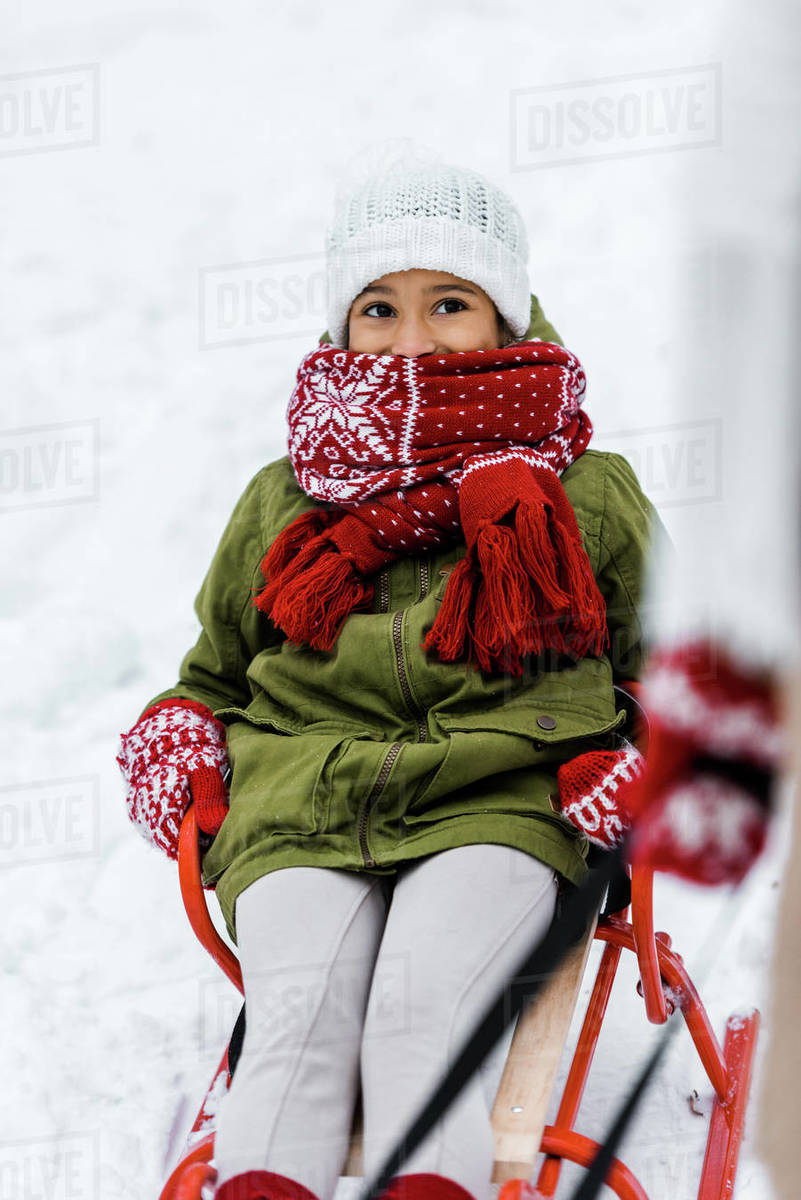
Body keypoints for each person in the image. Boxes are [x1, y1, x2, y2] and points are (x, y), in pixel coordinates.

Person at [116, 144, 665, 1200]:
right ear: (340, 325)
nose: (413, 339)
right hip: (300, 806)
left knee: (421, 1017)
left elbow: (677, 672)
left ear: (506, 316)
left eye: (450, 302)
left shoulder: (585, 491)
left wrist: (637, 753)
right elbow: (216, 674)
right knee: (302, 1018)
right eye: (379, 308)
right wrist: (180, 731)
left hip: (498, 802)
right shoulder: (286, 496)